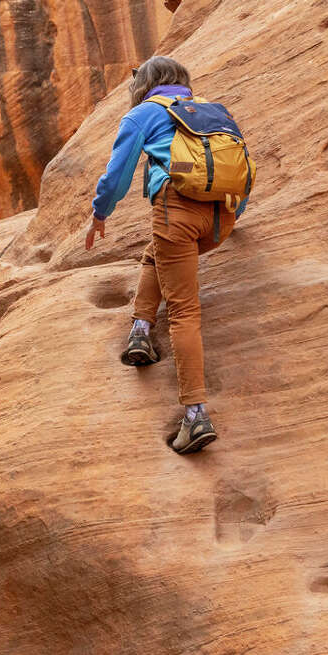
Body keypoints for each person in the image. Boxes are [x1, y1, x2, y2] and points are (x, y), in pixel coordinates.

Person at [83, 55, 248, 455]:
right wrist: (230, 219)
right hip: (221, 217)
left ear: (145, 85)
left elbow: (117, 175)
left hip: (177, 210)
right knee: (156, 253)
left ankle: (195, 415)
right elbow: (239, 167)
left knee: (184, 311)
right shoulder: (214, 110)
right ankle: (140, 331)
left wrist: (99, 213)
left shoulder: (143, 114)